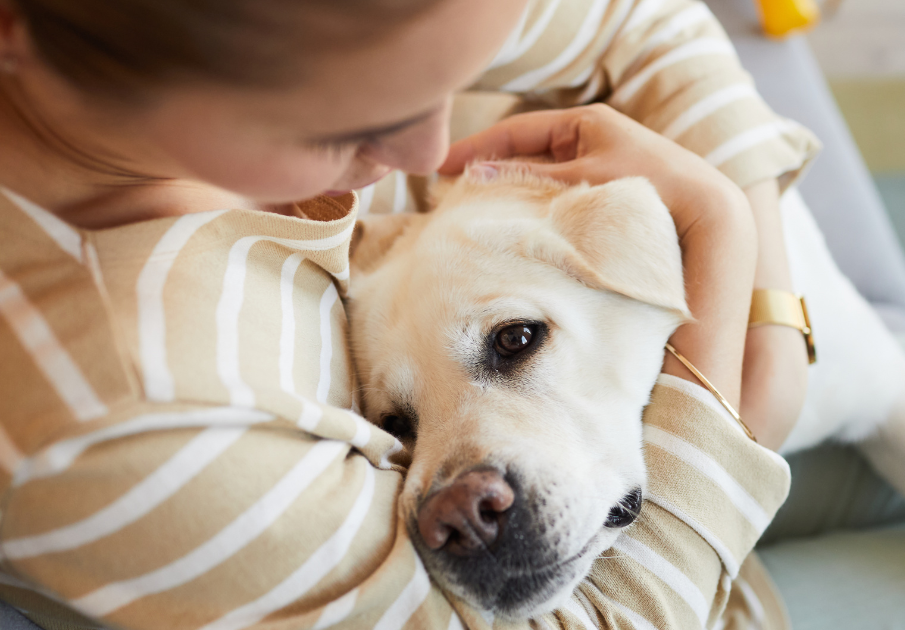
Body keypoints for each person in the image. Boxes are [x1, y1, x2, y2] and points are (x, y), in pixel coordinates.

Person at [0, 0, 813, 628]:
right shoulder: (125, 417)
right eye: (347, 121)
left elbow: (642, 24)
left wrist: (765, 305)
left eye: (449, 81)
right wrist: (722, 259)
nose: (436, 155)